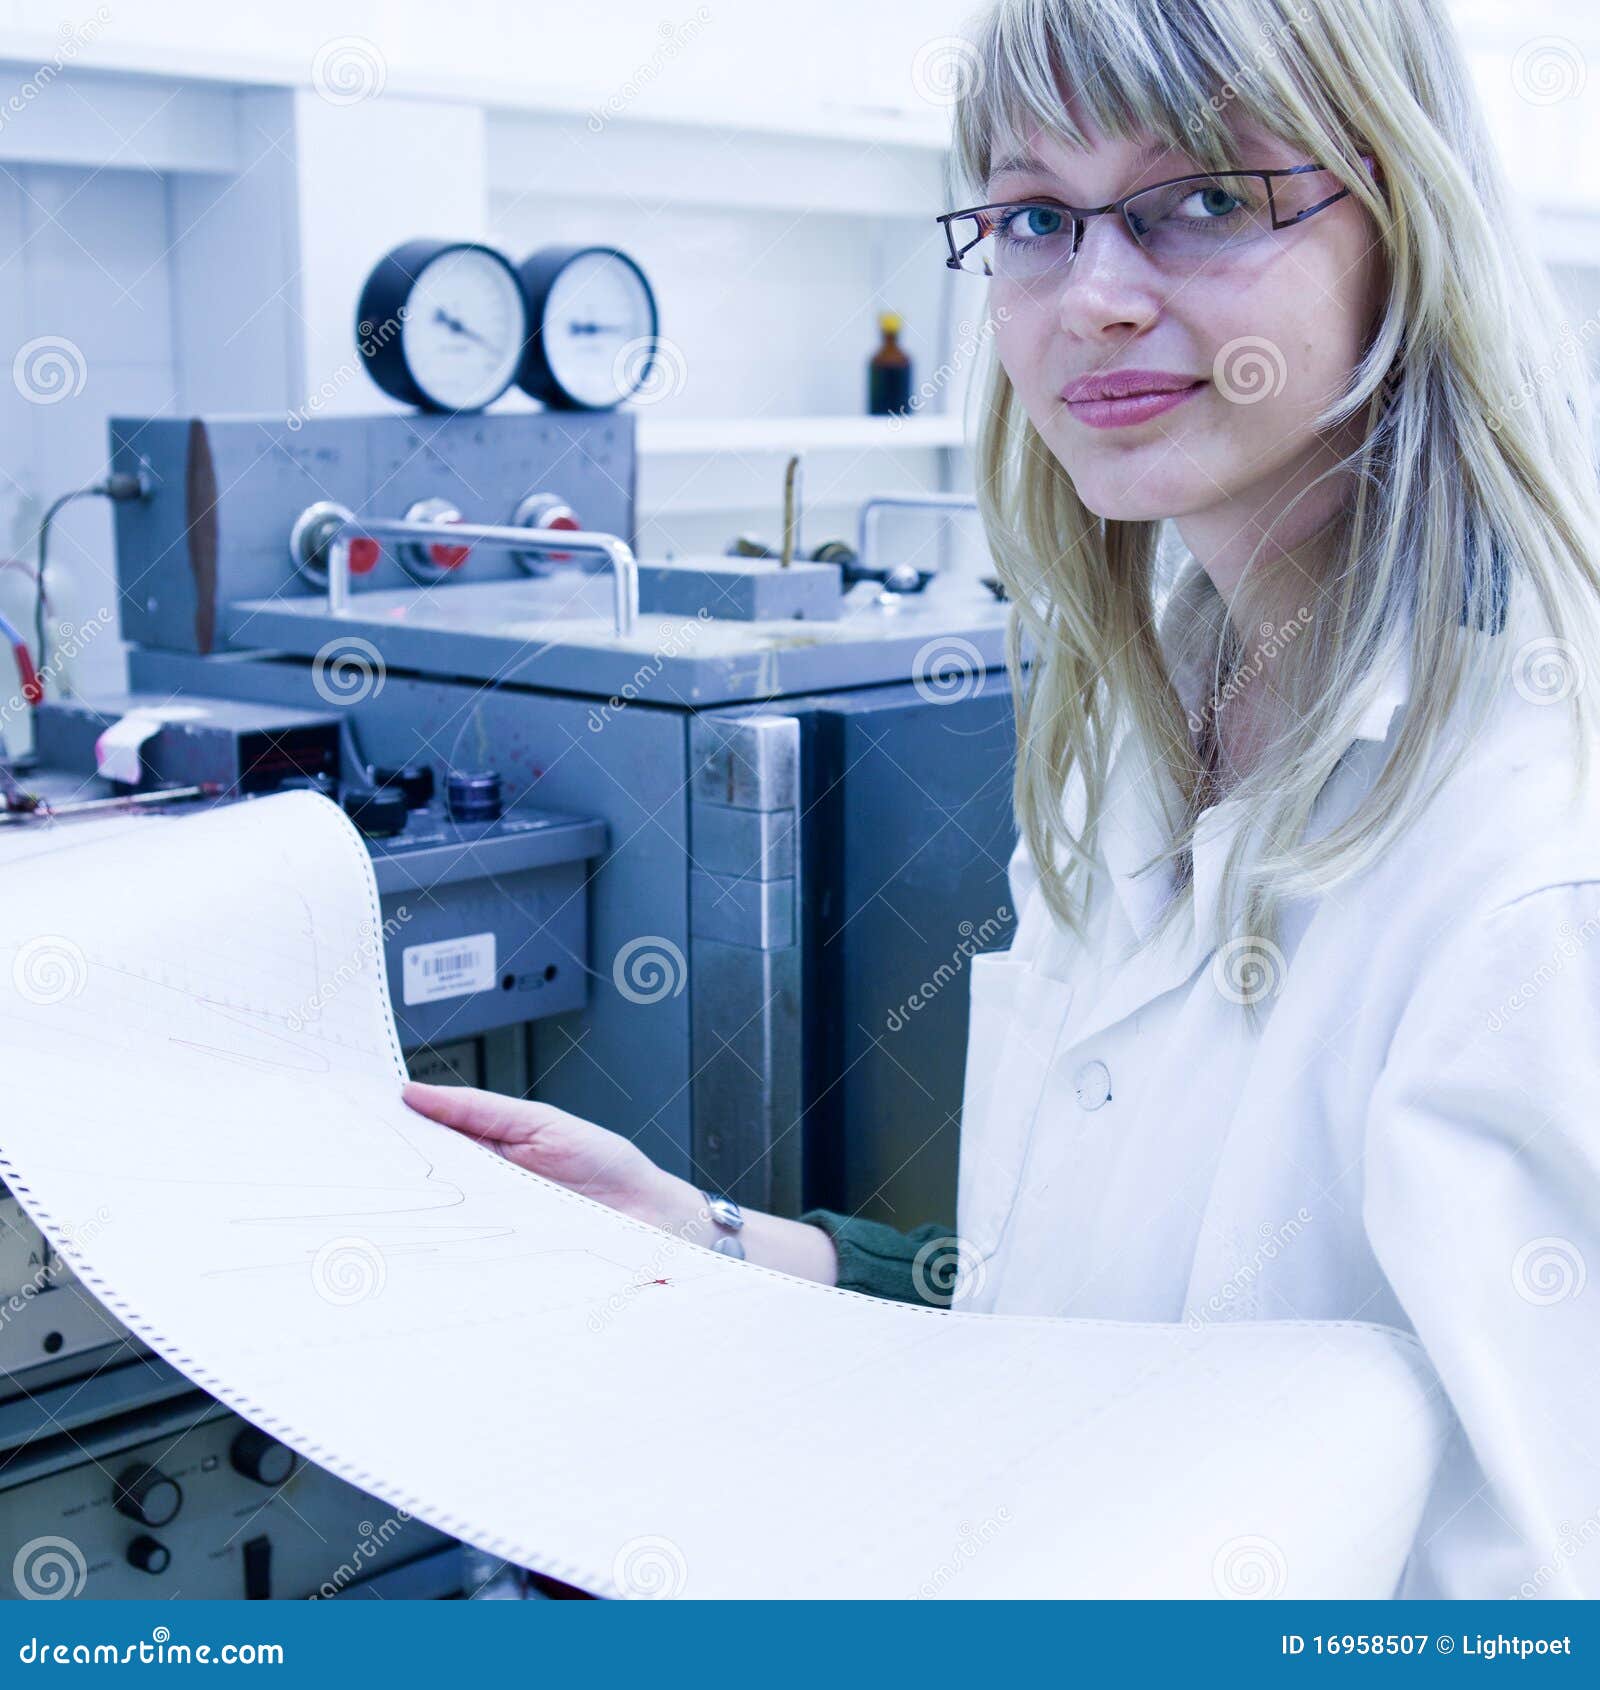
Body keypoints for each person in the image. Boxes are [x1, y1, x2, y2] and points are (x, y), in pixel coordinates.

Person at [405, 0, 1600, 1600]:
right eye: (1036, 215)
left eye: (1207, 199)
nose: (1095, 299)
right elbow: (1056, 1316)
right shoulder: (1134, 734)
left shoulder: (1536, 866)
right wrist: (698, 1237)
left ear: (1406, 219)